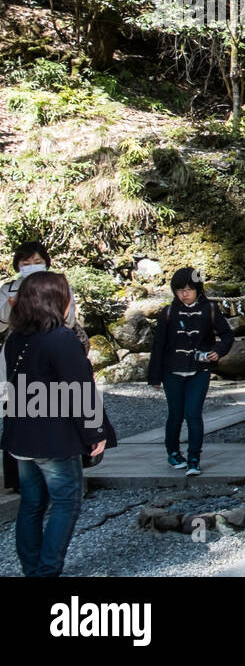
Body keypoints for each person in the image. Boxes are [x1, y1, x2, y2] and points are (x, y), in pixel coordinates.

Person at [1, 271, 107, 576]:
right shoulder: (61, 338)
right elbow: (78, 389)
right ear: (54, 300)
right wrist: (95, 431)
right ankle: (46, 571)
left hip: (21, 435)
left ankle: (32, 568)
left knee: (32, 503)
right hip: (52, 437)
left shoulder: (16, 338)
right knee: (66, 502)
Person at [147, 268, 233, 476]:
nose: (185, 294)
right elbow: (158, 345)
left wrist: (218, 351)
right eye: (180, 290)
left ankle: (194, 457)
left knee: (193, 414)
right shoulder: (168, 312)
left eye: (189, 289)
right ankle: (173, 452)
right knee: (175, 415)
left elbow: (227, 334)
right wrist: (154, 376)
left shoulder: (210, 309)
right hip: (172, 370)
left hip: (199, 369)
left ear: (197, 289)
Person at [0, 241, 77, 337]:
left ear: (46, 263)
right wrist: (13, 303)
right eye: (26, 264)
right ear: (17, 266)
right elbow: (1, 327)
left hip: (51, 343)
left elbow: (69, 323)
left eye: (38, 262)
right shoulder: (8, 289)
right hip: (17, 345)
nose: (32, 267)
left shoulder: (60, 286)